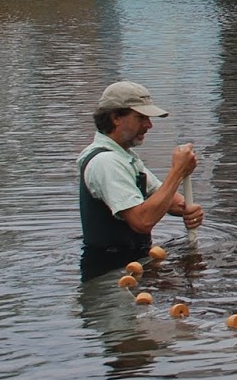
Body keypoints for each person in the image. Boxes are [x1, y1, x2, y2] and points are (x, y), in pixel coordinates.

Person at [78, 81, 201, 279]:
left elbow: (171, 201)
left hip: (131, 267)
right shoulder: (106, 162)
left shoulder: (125, 158)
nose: (149, 125)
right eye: (141, 117)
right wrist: (177, 171)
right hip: (109, 275)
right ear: (116, 117)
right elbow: (142, 221)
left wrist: (189, 209)